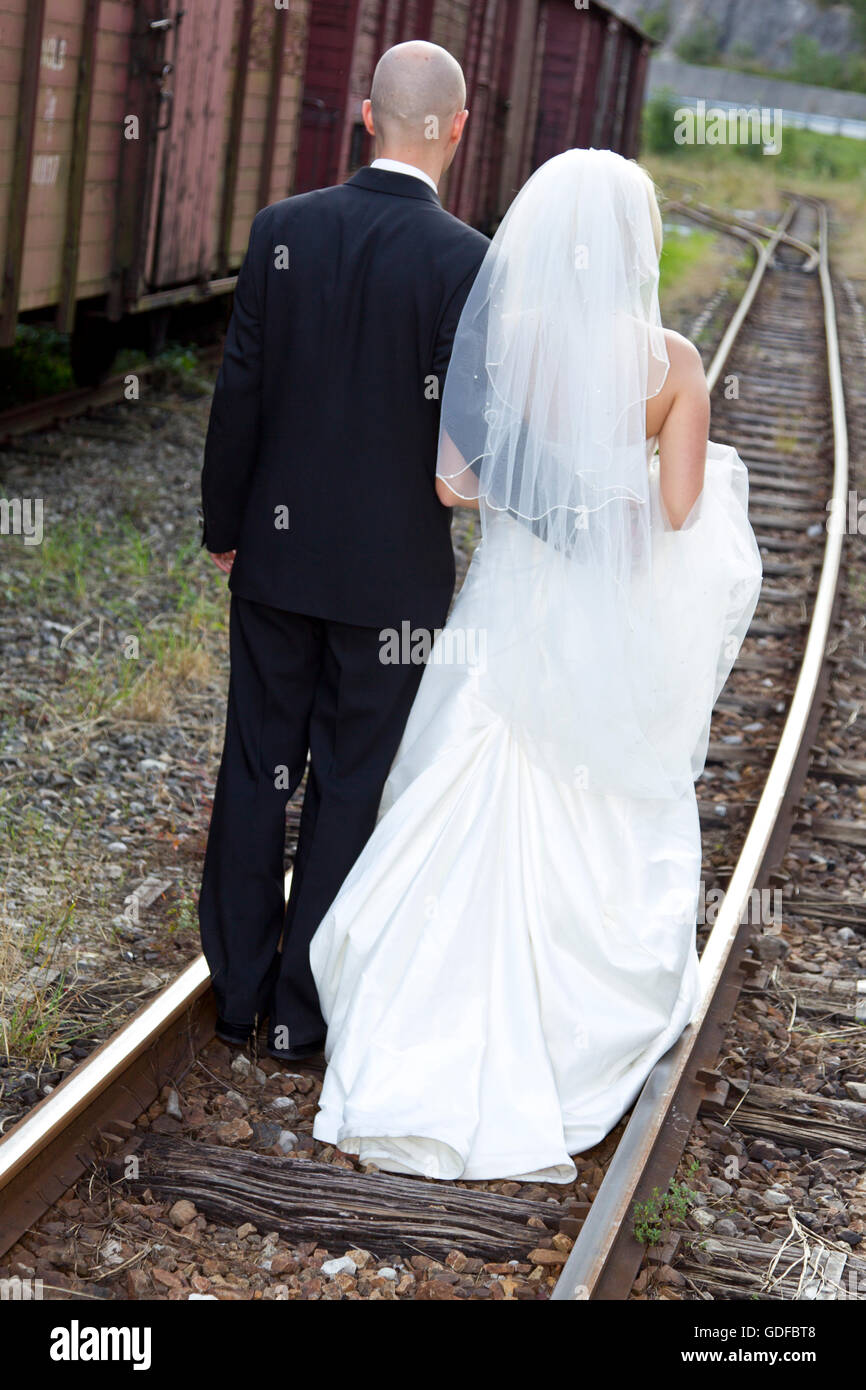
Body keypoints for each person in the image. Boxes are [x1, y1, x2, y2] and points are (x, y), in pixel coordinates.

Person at [308, 148, 763, 1182]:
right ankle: (564, 1044)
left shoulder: (506, 338)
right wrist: (611, 514)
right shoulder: (674, 363)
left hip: (505, 610)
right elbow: (679, 512)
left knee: (460, 780)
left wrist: (533, 503)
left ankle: (406, 1030)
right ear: (634, 243)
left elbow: (453, 481)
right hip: (597, 617)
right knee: (595, 802)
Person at [198, 41, 489, 1061]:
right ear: (456, 128)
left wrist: (225, 530)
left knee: (256, 768)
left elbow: (239, 398)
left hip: (278, 566)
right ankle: (299, 1014)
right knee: (349, 785)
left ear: (366, 116)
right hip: (395, 583)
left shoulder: (284, 230)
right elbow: (462, 442)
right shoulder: (468, 261)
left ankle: (234, 993)